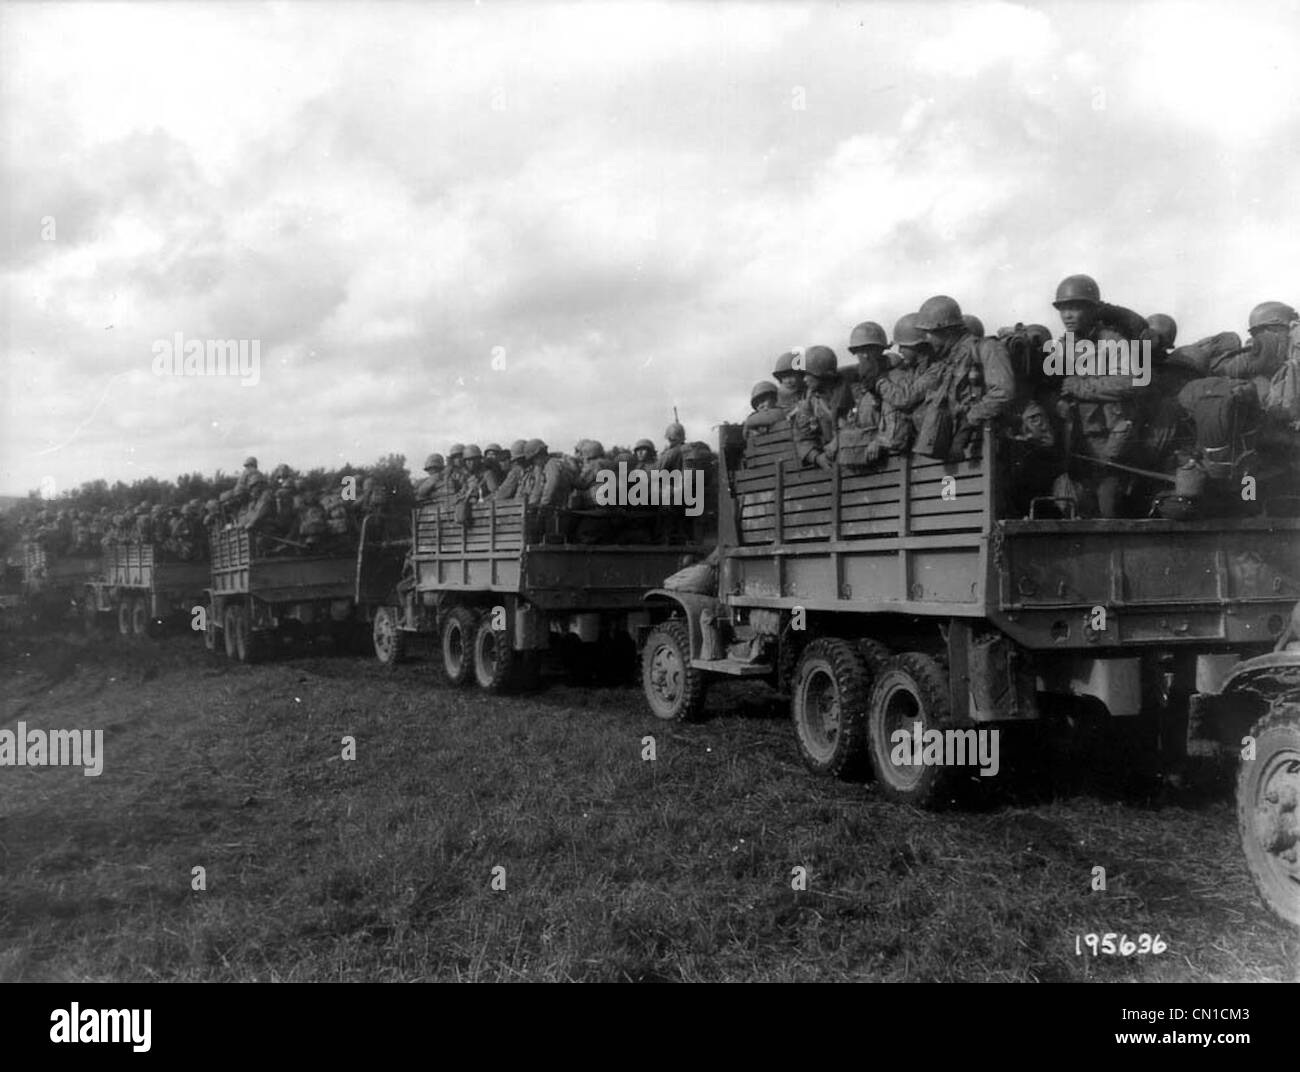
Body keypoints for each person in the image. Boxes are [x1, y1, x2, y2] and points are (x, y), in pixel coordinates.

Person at [1047, 275, 1147, 516]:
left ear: (1091, 310)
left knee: (1107, 505)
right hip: (1079, 436)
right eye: (1063, 309)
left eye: (1075, 308)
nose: (1067, 315)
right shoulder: (1066, 345)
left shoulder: (1111, 341)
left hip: (1110, 437)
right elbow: (1061, 385)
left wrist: (1080, 389)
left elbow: (1130, 382)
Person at [914, 294, 1017, 459]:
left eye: (930, 333)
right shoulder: (947, 361)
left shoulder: (988, 348)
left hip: (987, 448)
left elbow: (1003, 392)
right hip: (959, 451)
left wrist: (969, 421)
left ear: (947, 331)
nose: (927, 338)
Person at [791, 345, 842, 469]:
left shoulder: (849, 394)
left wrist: (840, 441)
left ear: (821, 374)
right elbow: (803, 438)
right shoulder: (809, 403)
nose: (804, 379)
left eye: (808, 374)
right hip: (830, 463)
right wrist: (817, 457)